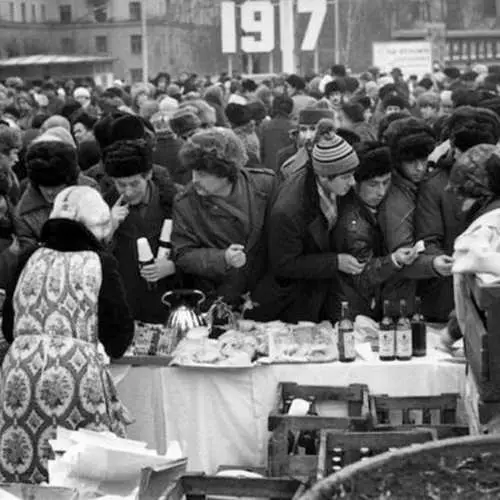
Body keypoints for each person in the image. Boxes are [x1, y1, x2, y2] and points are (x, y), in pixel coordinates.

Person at [0, 186, 134, 483]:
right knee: (82, 470)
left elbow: (9, 326)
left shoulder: (28, 257)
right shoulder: (101, 262)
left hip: (20, 371)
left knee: (21, 466)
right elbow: (119, 335)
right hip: (76, 373)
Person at [252, 133, 361, 323]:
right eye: (346, 177)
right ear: (325, 177)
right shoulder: (290, 209)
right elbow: (284, 263)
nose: (353, 183)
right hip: (293, 300)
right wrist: (335, 262)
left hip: (323, 290)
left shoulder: (334, 187)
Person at [171, 128, 276, 306]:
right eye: (193, 172)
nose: (194, 179)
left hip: (267, 294)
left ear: (225, 172)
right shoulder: (185, 203)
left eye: (202, 174)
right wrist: (223, 258)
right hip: (220, 298)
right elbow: (183, 254)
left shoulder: (265, 184)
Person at [416, 106, 500, 321]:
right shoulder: (435, 186)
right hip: (449, 297)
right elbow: (428, 239)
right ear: (455, 150)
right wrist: (437, 261)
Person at [103, 123, 177, 324]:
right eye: (121, 185)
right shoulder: (103, 205)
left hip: (169, 298)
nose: (127, 192)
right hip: (127, 301)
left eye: (134, 184)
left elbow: (195, 246)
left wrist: (172, 265)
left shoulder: (176, 200)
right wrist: (109, 228)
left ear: (149, 175)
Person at [333, 142, 417, 319]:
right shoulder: (353, 224)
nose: (381, 192)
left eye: (386, 183)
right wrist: (394, 260)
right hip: (354, 311)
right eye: (373, 185)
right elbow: (362, 274)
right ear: (355, 183)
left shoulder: (367, 207)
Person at [378, 118, 450, 316]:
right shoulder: (396, 201)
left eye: (423, 159)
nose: (420, 168)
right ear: (397, 161)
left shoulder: (417, 185)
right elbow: (402, 257)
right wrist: (433, 264)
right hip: (401, 299)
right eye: (411, 162)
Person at [15, 127, 99, 257]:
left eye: (56, 187)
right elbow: (26, 254)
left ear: (69, 181)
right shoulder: (25, 212)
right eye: (44, 186)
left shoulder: (89, 191)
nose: (50, 193)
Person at [278, 106, 334, 181]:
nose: (308, 136)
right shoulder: (288, 165)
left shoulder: (344, 157)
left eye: (313, 129)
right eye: (303, 129)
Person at [259, 95, 295, 172]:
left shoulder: (264, 126)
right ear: (291, 109)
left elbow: (261, 152)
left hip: (268, 172)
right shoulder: (294, 128)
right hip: (288, 171)